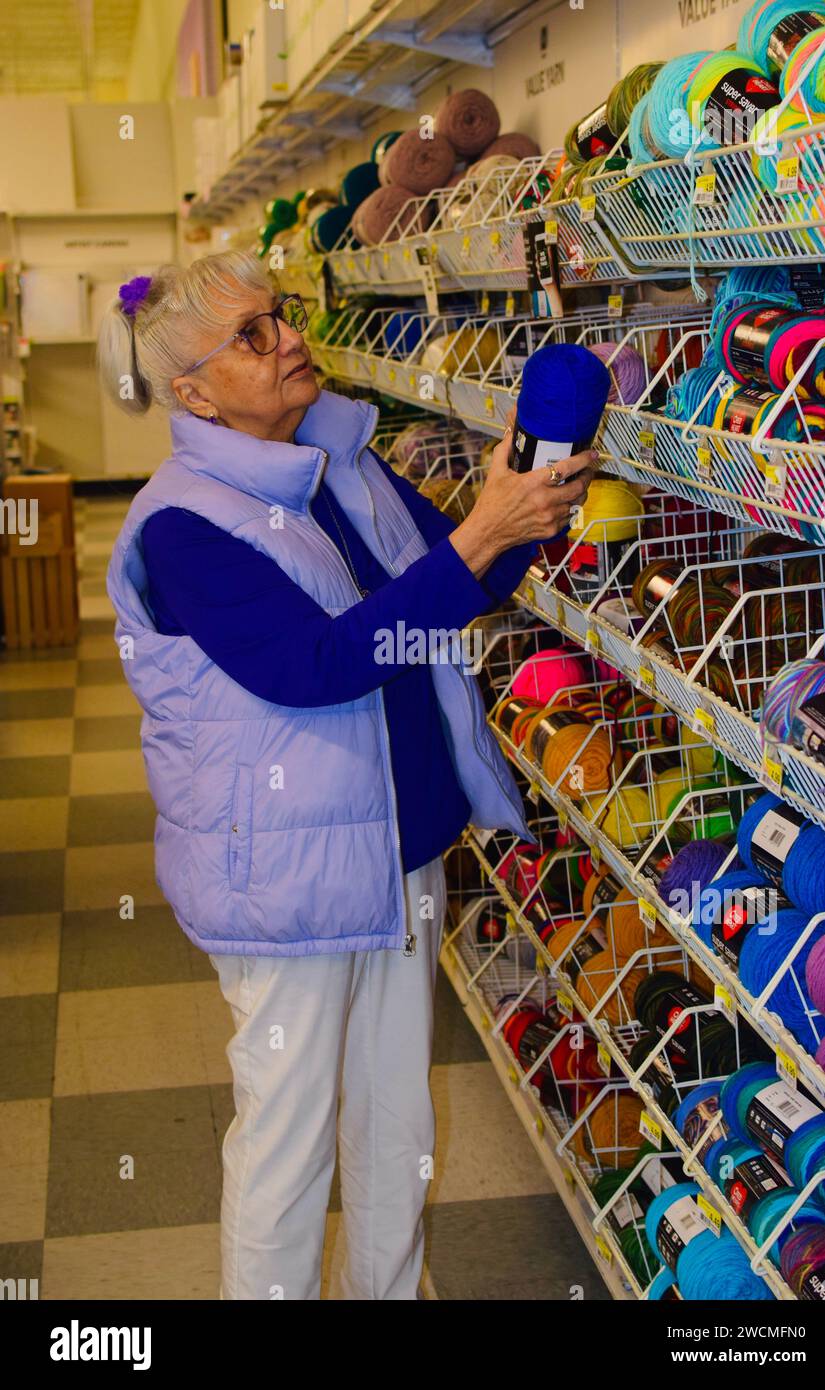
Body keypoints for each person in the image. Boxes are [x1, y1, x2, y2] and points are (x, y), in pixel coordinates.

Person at [98, 249, 595, 1301]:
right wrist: (473, 544)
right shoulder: (184, 522)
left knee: (394, 1123)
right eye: (252, 335)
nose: (286, 341)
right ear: (191, 392)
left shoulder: (342, 460)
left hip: (398, 845)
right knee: (288, 1143)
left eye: (279, 317)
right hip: (286, 883)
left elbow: (452, 580)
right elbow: (312, 665)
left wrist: (523, 498)